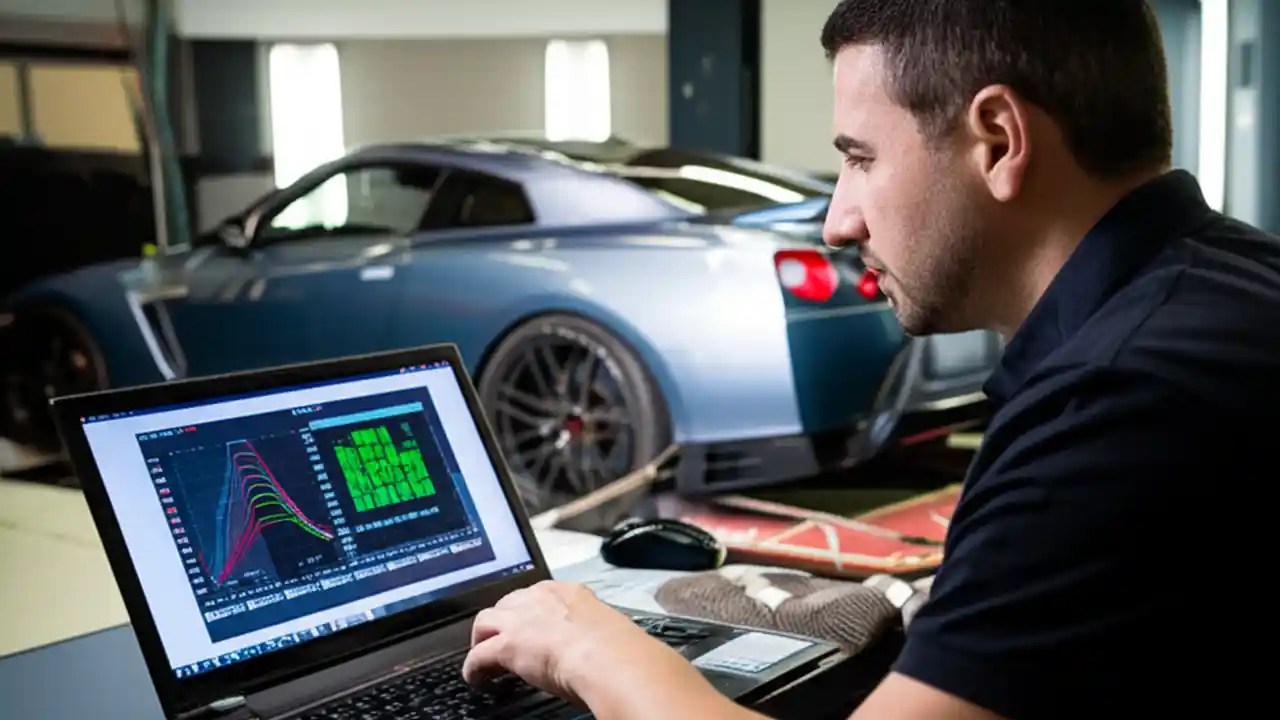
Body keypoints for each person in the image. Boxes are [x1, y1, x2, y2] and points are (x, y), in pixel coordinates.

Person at [462, 0, 1279, 717]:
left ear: (997, 140)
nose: (838, 222)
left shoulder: (1116, 403)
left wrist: (591, 649)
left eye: (860, 159)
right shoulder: (1231, 279)